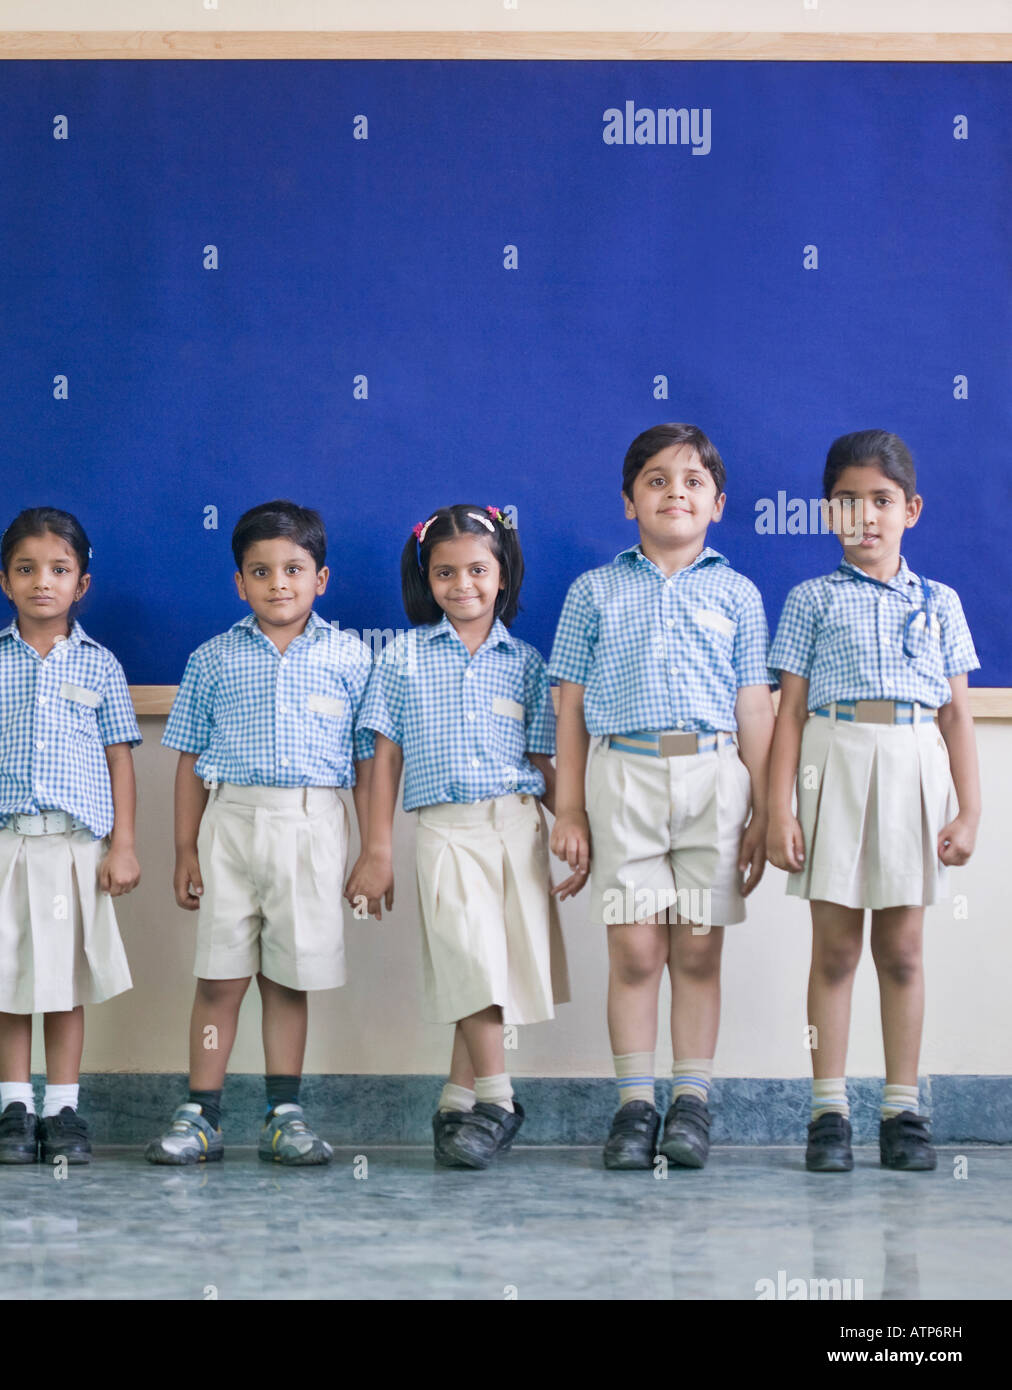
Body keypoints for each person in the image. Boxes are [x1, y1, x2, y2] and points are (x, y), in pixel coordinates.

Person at [549, 424, 773, 1170]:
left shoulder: (737, 593)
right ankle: (635, 1104)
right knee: (636, 949)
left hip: (712, 775)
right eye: (655, 480)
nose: (674, 491)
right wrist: (572, 805)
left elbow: (753, 708)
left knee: (699, 949)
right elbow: (570, 707)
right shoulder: (594, 590)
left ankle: (692, 1102)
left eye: (692, 481)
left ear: (717, 503)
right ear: (627, 501)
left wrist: (768, 807)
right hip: (625, 777)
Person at [767, 430, 980, 1172]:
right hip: (836, 763)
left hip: (914, 771)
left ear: (911, 510)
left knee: (904, 950)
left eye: (881, 500)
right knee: (834, 949)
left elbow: (955, 715)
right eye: (848, 501)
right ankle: (829, 1110)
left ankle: (902, 1108)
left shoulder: (942, 602)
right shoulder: (810, 601)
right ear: (828, 513)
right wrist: (781, 808)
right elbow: (788, 714)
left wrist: (969, 809)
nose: (866, 515)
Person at [146, 500, 373, 1166]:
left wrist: (371, 849)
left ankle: (284, 1113)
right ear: (239, 582)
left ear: (320, 579)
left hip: (312, 823)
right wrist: (185, 848)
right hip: (232, 823)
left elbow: (365, 764)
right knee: (219, 976)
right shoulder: (213, 659)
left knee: (288, 977)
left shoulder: (351, 658)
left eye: (294, 569)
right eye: (261, 571)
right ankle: (203, 1115)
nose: (279, 583)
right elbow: (188, 760)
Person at [347, 504, 569, 1169]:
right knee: (467, 956)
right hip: (446, 830)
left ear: (503, 575)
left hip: (515, 827)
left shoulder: (525, 661)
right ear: (426, 579)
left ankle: (455, 1102)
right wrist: (376, 849)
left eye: (478, 569)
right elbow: (382, 759)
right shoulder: (403, 658)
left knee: (489, 970)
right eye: (445, 572)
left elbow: (541, 762)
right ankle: (501, 1101)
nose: (462, 584)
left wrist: (577, 828)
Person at [0, 508, 140, 1165]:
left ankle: (62, 1110)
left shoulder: (101, 665)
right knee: (6, 977)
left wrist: (124, 844)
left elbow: (119, 758)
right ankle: (14, 1109)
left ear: (81, 584)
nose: (42, 583)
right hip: (2, 839)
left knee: (64, 980)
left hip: (75, 846)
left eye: (58, 570)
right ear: (5, 581)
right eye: (26, 570)